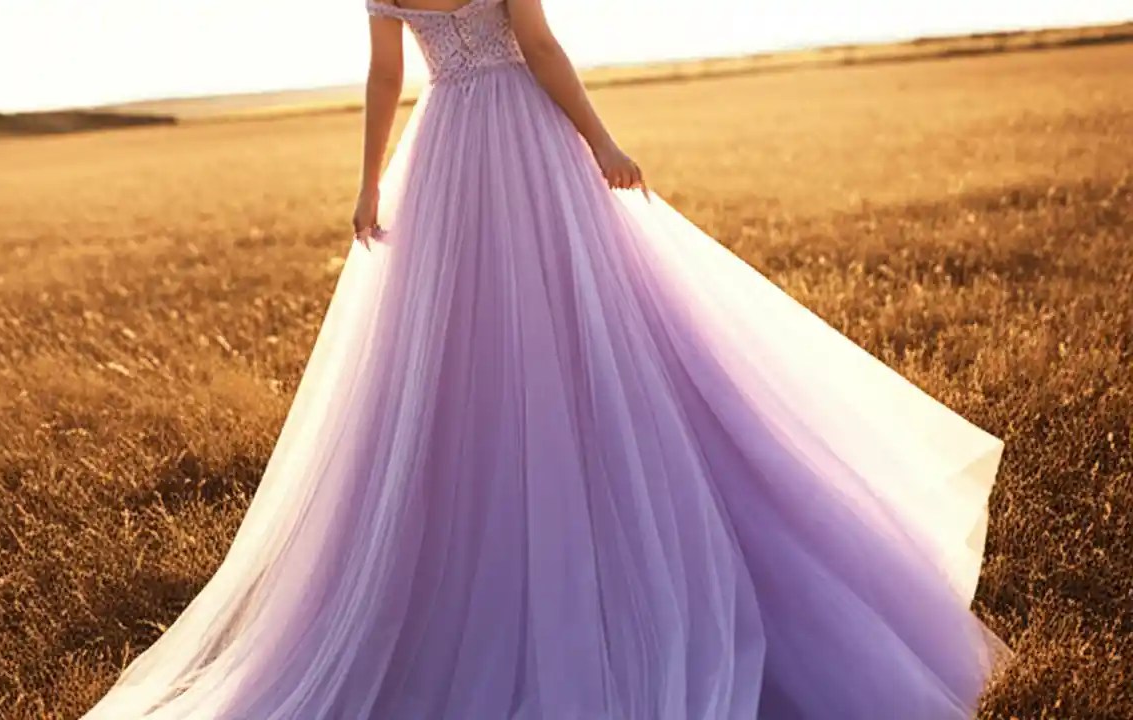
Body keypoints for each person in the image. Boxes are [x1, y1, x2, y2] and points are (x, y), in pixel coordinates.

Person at [82, 1, 1007, 717]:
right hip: (524, 139)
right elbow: (540, 46)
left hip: (442, 149)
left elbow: (383, 77)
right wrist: (602, 141)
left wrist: (367, 183)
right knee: (588, 319)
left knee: (461, 345)